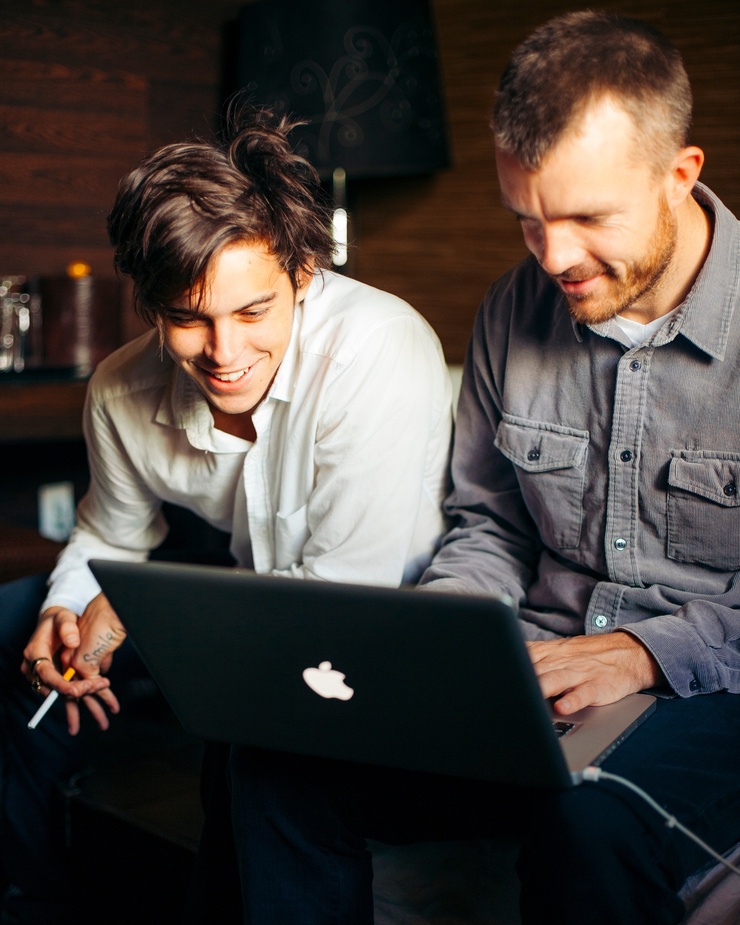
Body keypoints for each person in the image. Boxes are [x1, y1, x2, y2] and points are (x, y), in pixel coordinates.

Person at [208, 12, 740, 925]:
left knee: (591, 824)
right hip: (530, 682)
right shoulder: (513, 308)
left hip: (715, 691)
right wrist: (441, 640)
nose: (555, 256)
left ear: (679, 174)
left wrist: (649, 651)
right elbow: (490, 525)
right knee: (278, 762)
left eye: (585, 217)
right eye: (527, 218)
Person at [0, 107, 453, 924]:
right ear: (147, 302)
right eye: (187, 318)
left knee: (259, 748)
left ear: (304, 271)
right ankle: (33, 900)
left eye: (253, 312)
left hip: (379, 631)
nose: (224, 351)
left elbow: (335, 601)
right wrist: (69, 611)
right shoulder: (120, 387)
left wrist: (130, 611)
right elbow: (111, 532)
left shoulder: (378, 350)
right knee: (11, 625)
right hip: (247, 594)